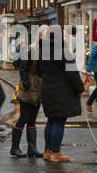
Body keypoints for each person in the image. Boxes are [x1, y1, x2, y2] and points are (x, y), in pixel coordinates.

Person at [36, 25, 85, 163]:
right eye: (63, 33)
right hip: (61, 91)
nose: (64, 36)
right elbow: (72, 72)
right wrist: (80, 88)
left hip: (47, 89)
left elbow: (39, 71)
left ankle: (47, 151)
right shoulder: (62, 50)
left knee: (51, 120)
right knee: (59, 120)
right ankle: (56, 153)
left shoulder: (42, 51)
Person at [10, 33, 43, 158]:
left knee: (32, 119)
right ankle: (14, 148)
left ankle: (32, 148)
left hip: (38, 89)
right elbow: (23, 68)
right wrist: (28, 84)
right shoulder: (31, 50)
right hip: (28, 90)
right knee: (23, 117)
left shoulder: (42, 51)